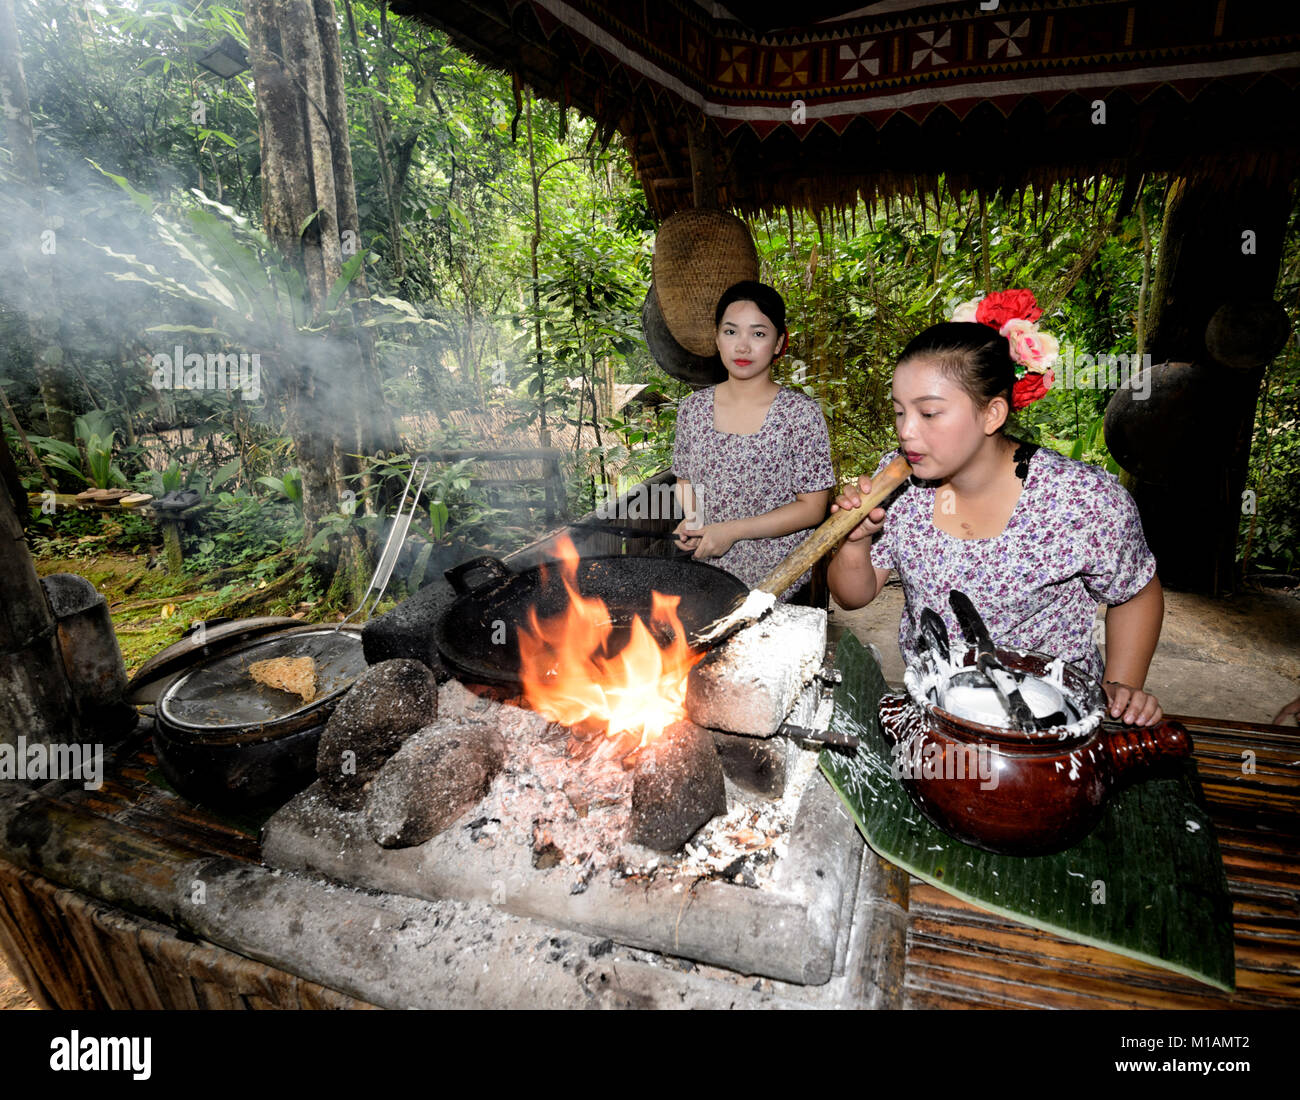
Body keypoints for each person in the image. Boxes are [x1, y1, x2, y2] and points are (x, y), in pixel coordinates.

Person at [826, 290, 1165, 726]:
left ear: (993, 414)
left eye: (929, 414)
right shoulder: (898, 488)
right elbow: (854, 596)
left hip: (1049, 722)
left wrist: (1121, 686)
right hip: (937, 712)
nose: (907, 431)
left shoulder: (1080, 500)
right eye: (898, 412)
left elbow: (1136, 591)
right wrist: (854, 541)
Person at [672, 280, 834, 600]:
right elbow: (685, 480)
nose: (742, 346)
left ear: (778, 343)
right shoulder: (693, 409)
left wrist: (732, 530)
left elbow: (813, 508)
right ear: (717, 339)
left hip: (782, 582)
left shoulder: (800, 415)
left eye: (758, 333)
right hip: (708, 577)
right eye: (731, 332)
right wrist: (694, 524)